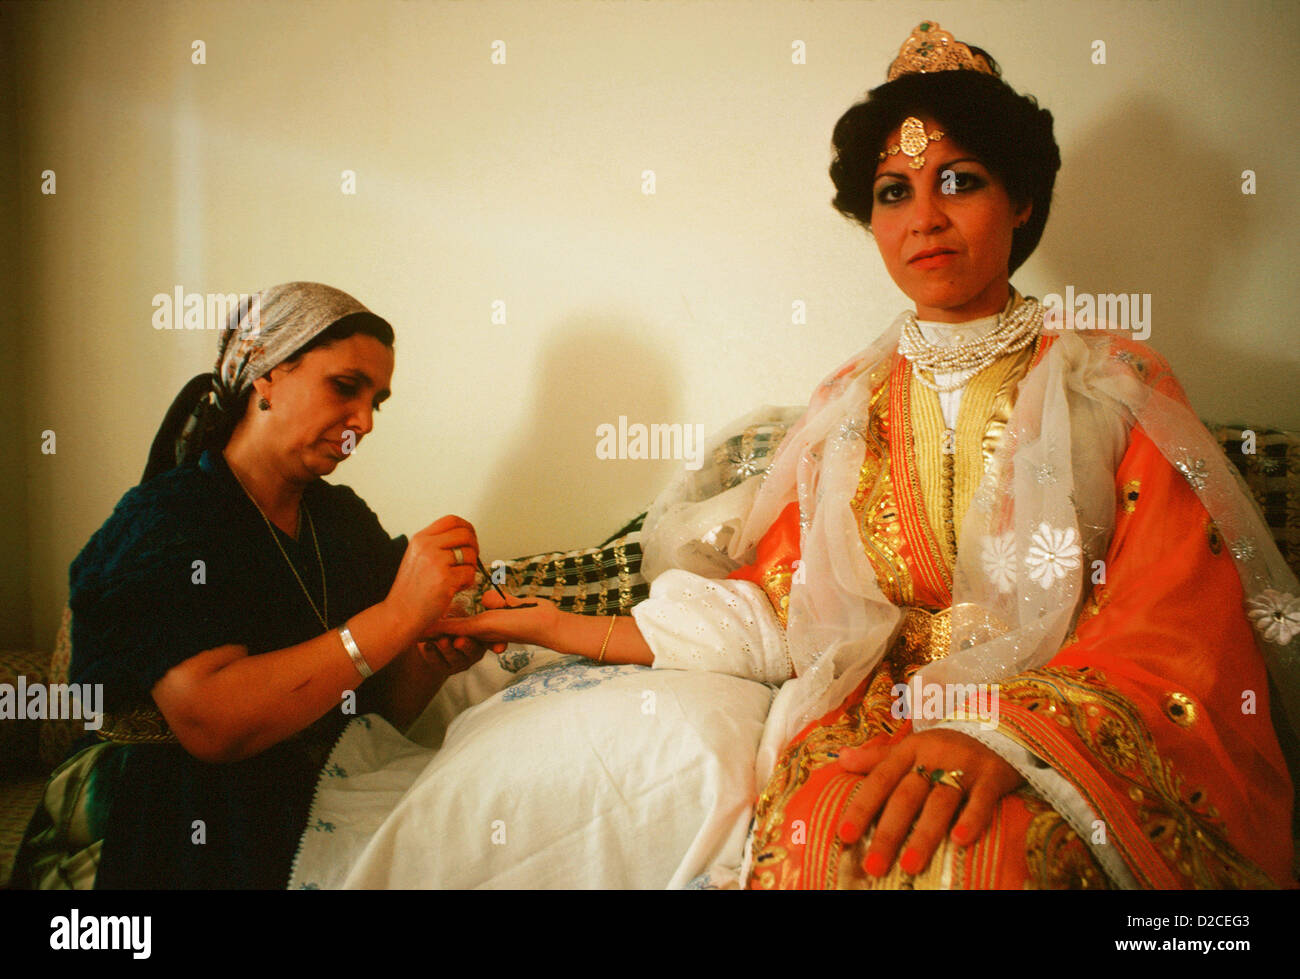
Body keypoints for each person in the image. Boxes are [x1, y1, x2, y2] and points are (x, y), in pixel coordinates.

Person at [439, 22, 1300, 888]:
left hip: (1057, 736)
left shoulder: (1110, 383)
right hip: (881, 725)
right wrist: (563, 627)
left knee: (995, 858)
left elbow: (1173, 627)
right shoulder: (847, 408)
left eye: (959, 182)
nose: (924, 218)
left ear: (1024, 200)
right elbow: (781, 610)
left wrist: (1005, 737)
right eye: (894, 192)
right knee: (829, 838)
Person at [16, 281, 498, 889]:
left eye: (379, 401)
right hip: (153, 817)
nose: (365, 422)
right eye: (346, 387)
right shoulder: (163, 521)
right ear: (265, 375)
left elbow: (367, 714)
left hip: (303, 794)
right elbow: (213, 723)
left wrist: (428, 662)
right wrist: (398, 617)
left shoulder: (341, 522)